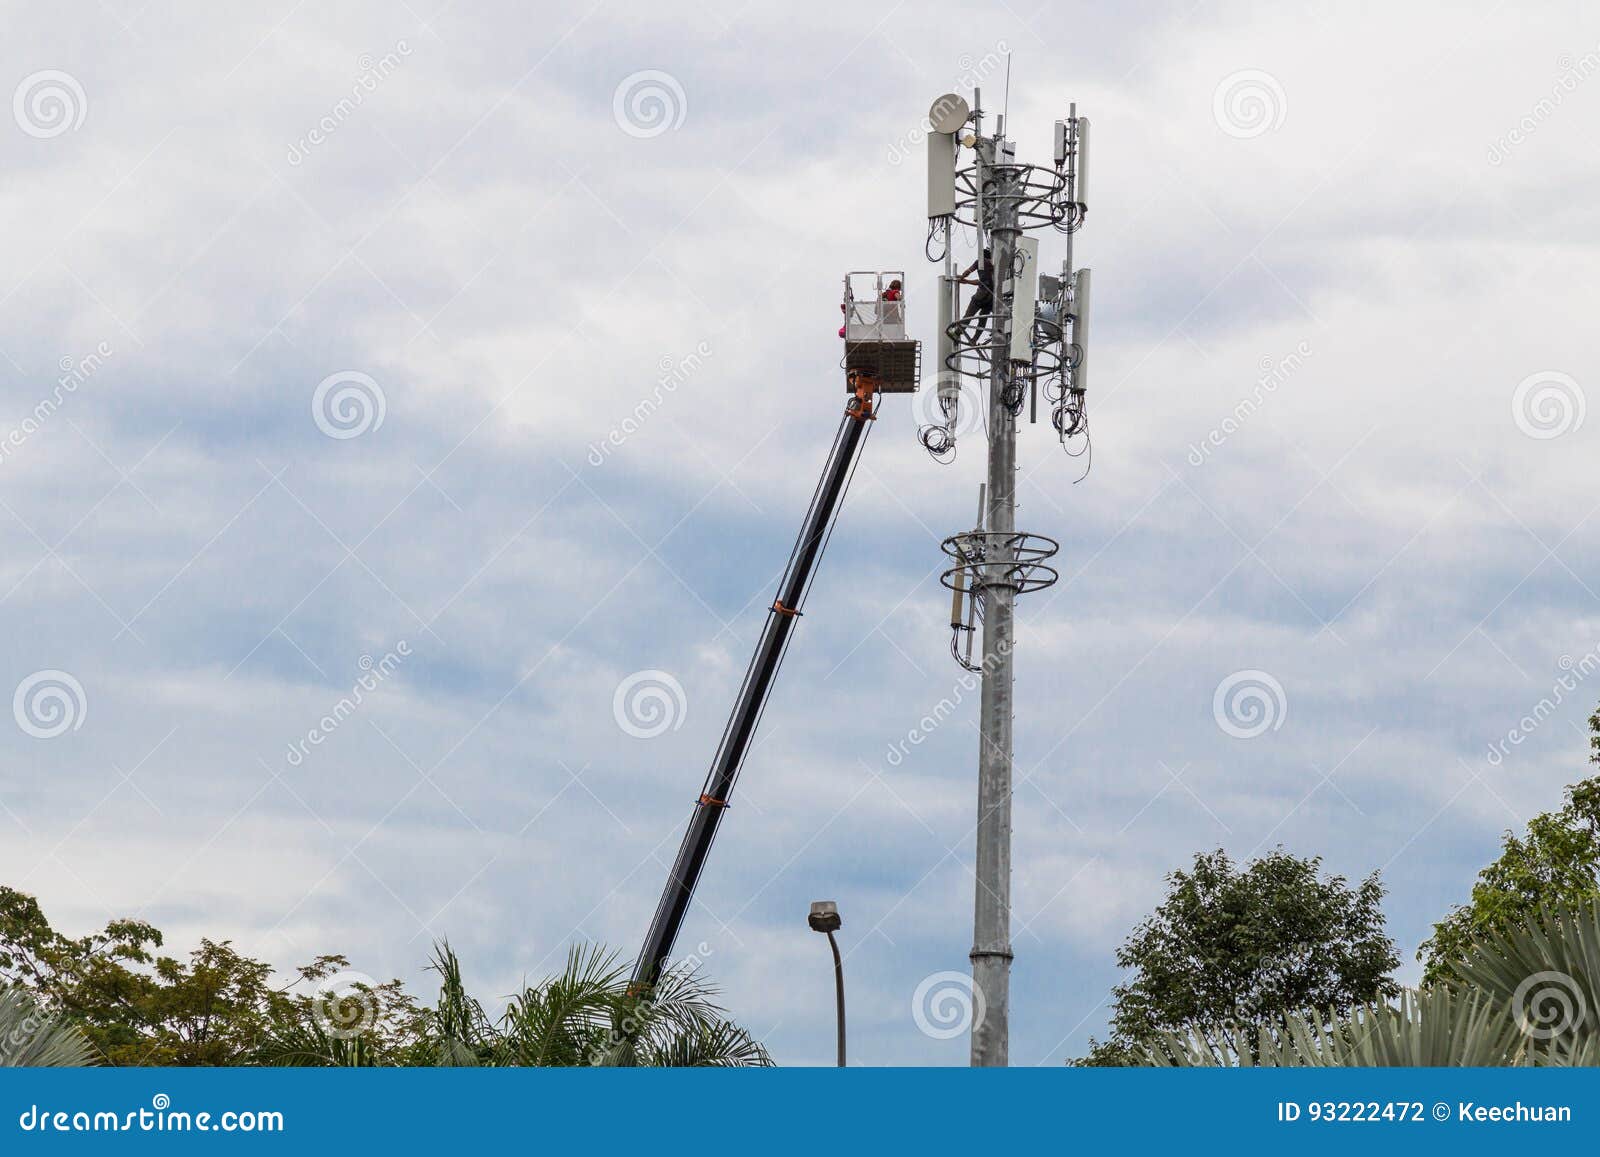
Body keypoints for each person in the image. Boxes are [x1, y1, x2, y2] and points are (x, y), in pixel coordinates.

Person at [957, 249, 994, 342]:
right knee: (982, 319)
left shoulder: (980, 262)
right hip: (991, 298)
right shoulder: (993, 267)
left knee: (969, 314)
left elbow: (968, 271)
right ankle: (975, 339)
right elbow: (982, 282)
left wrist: (962, 278)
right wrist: (967, 282)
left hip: (981, 296)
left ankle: (958, 331)